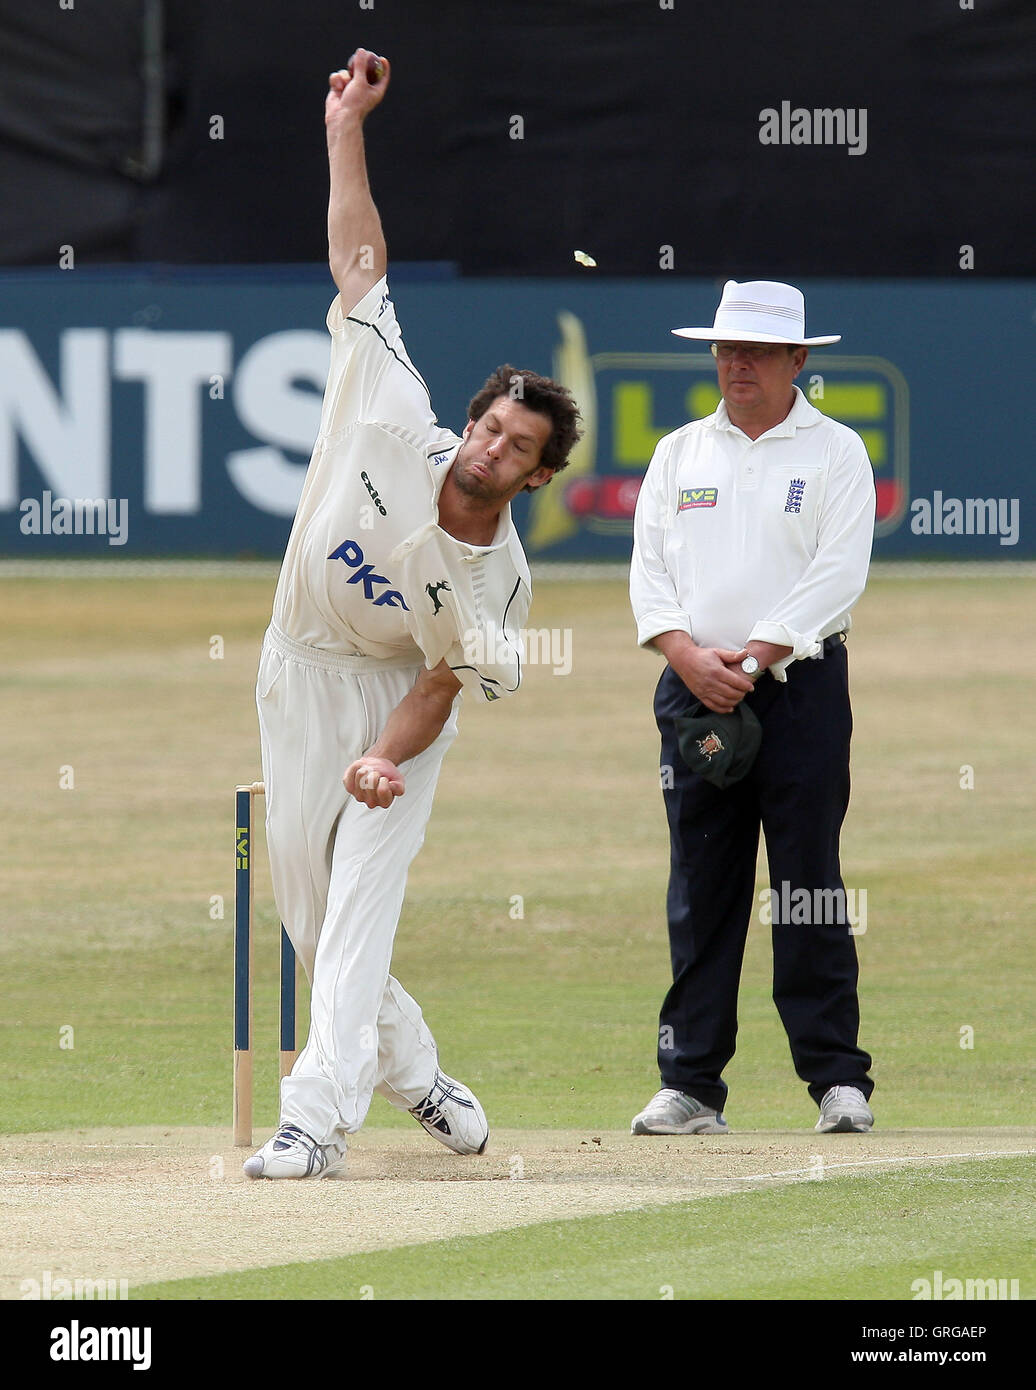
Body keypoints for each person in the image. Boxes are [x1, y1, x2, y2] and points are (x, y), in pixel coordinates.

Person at [243, 53, 581, 1180]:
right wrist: (346, 125)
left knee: (361, 902)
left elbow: (439, 686)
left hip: (398, 708)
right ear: (469, 420)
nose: (491, 446)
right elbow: (357, 258)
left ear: (535, 478)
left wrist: (384, 763)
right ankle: (420, 1075)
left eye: (517, 447)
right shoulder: (390, 408)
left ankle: (315, 1120)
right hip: (297, 667)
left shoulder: (500, 585)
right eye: (489, 426)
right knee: (311, 916)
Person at [628, 279, 876, 1137]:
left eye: (758, 351)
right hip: (693, 691)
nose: (737, 364)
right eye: (726, 349)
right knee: (701, 885)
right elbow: (649, 575)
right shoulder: (679, 452)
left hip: (799, 688)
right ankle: (691, 1083)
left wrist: (759, 652)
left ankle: (839, 1081)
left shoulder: (837, 451)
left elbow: (839, 573)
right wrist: (687, 656)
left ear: (797, 360)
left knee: (807, 880)